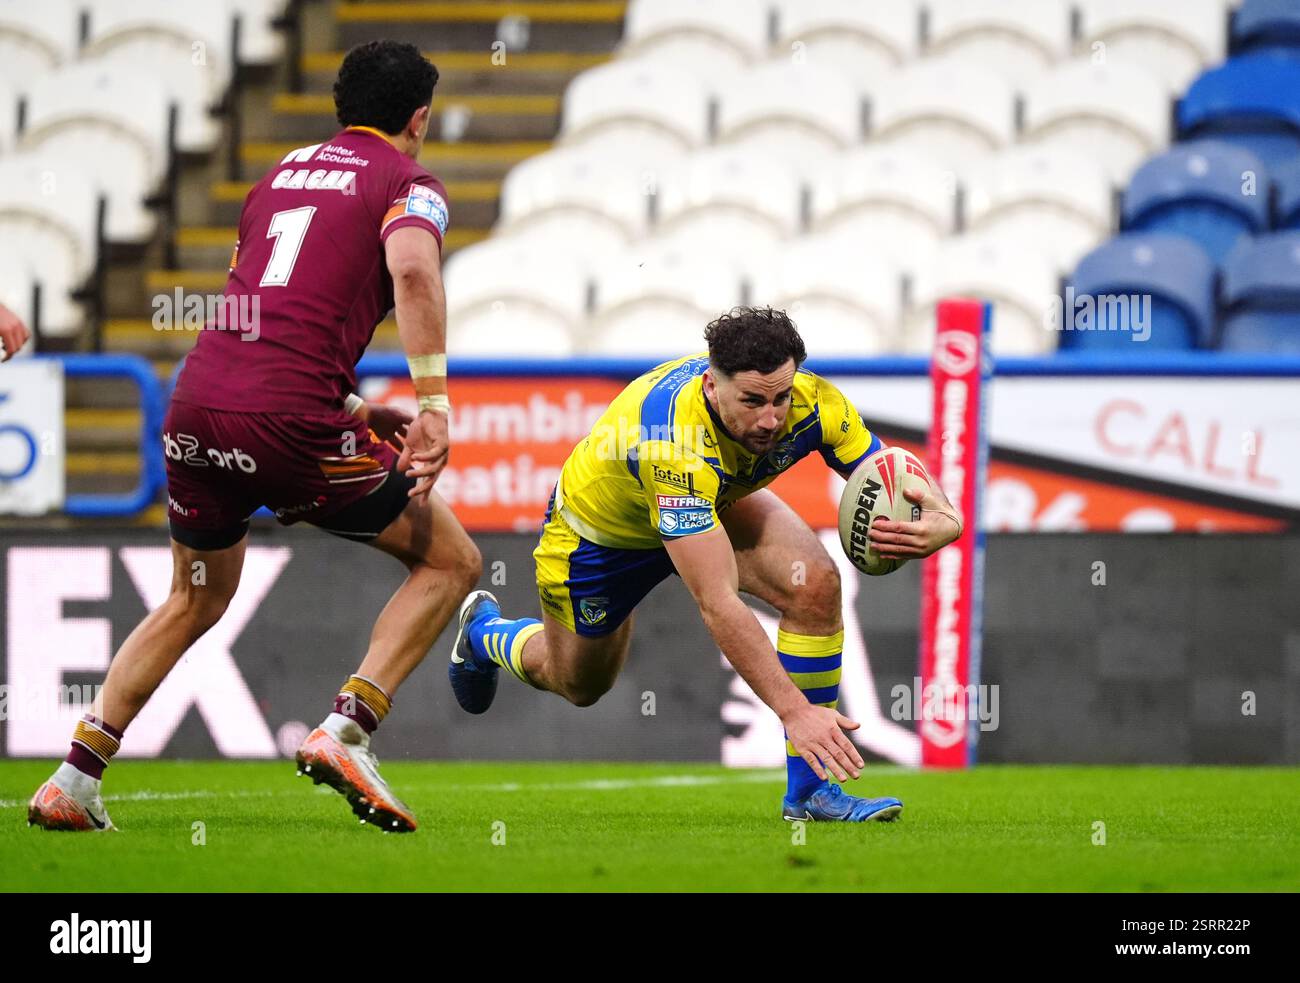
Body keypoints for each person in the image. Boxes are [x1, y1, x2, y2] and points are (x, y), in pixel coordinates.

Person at [28, 40, 477, 834]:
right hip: (288, 419)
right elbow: (413, 273)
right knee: (451, 560)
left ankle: (74, 777)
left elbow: (260, 309)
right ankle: (347, 729)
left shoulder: (277, 176)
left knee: (193, 596)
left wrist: (354, 404)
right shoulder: (409, 182)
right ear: (420, 118)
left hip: (198, 404)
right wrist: (432, 402)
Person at [444, 307, 963, 822]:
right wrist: (794, 712)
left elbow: (889, 472)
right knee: (577, 683)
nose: (771, 418)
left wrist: (945, 515)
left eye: (781, 398)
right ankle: (485, 634)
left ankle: (809, 795)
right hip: (601, 539)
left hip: (711, 502)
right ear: (713, 387)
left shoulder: (814, 400)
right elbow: (717, 603)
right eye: (753, 401)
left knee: (815, 585)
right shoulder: (673, 442)